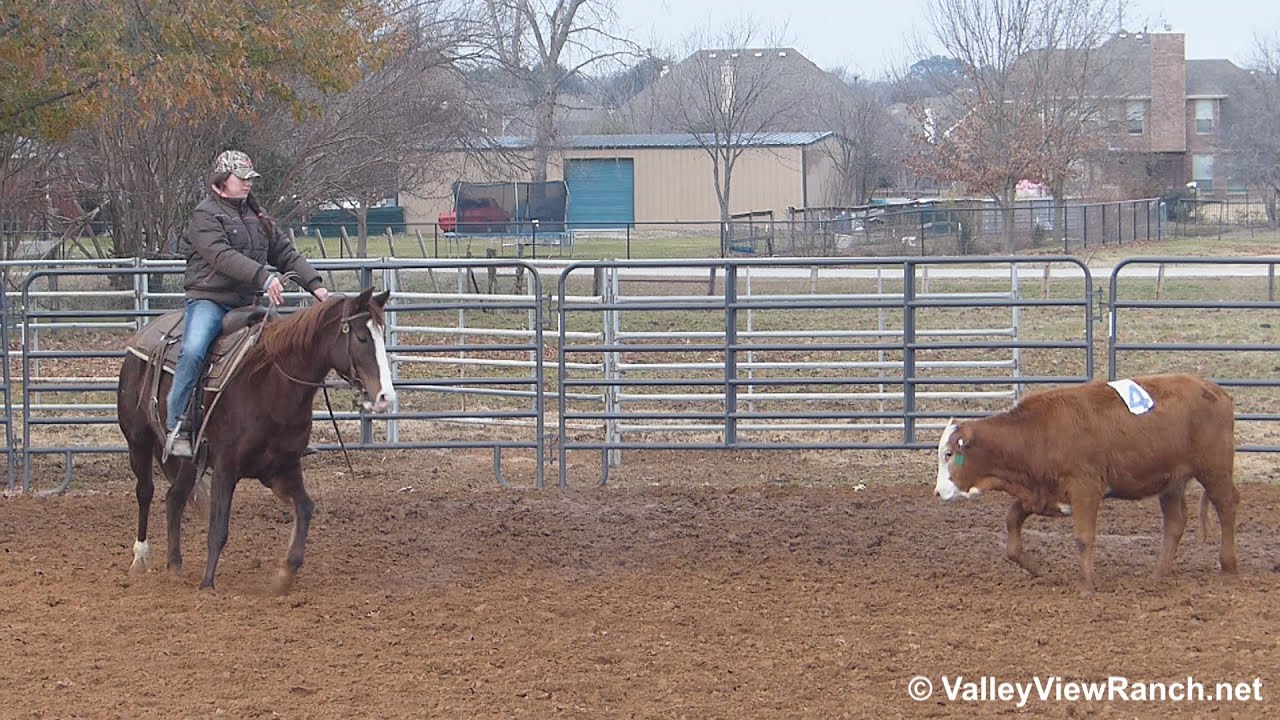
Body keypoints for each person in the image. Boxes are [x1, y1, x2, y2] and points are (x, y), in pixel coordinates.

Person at [164, 150, 330, 458]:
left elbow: (284, 253)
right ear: (221, 182)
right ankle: (177, 424)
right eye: (241, 178)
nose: (248, 184)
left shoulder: (258, 215)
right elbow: (222, 256)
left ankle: (287, 430)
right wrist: (264, 279)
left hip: (248, 304)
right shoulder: (204, 216)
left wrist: (316, 286)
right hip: (210, 300)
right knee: (194, 349)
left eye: (250, 179)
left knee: (287, 351)